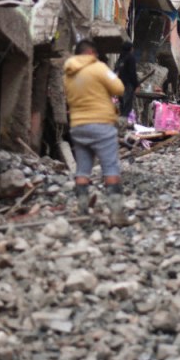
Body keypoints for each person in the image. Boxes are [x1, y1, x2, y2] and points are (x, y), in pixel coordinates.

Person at [64, 39, 128, 226]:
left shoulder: (68, 73)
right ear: (91, 53)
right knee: (110, 167)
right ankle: (116, 214)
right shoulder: (98, 68)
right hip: (101, 125)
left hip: (78, 126)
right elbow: (119, 88)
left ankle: (82, 210)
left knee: (83, 169)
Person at [115, 41, 139, 120]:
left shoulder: (120, 59)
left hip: (119, 85)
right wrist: (136, 85)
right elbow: (132, 73)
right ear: (131, 48)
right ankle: (123, 123)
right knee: (127, 106)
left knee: (122, 105)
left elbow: (115, 71)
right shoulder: (131, 58)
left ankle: (120, 122)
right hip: (128, 85)